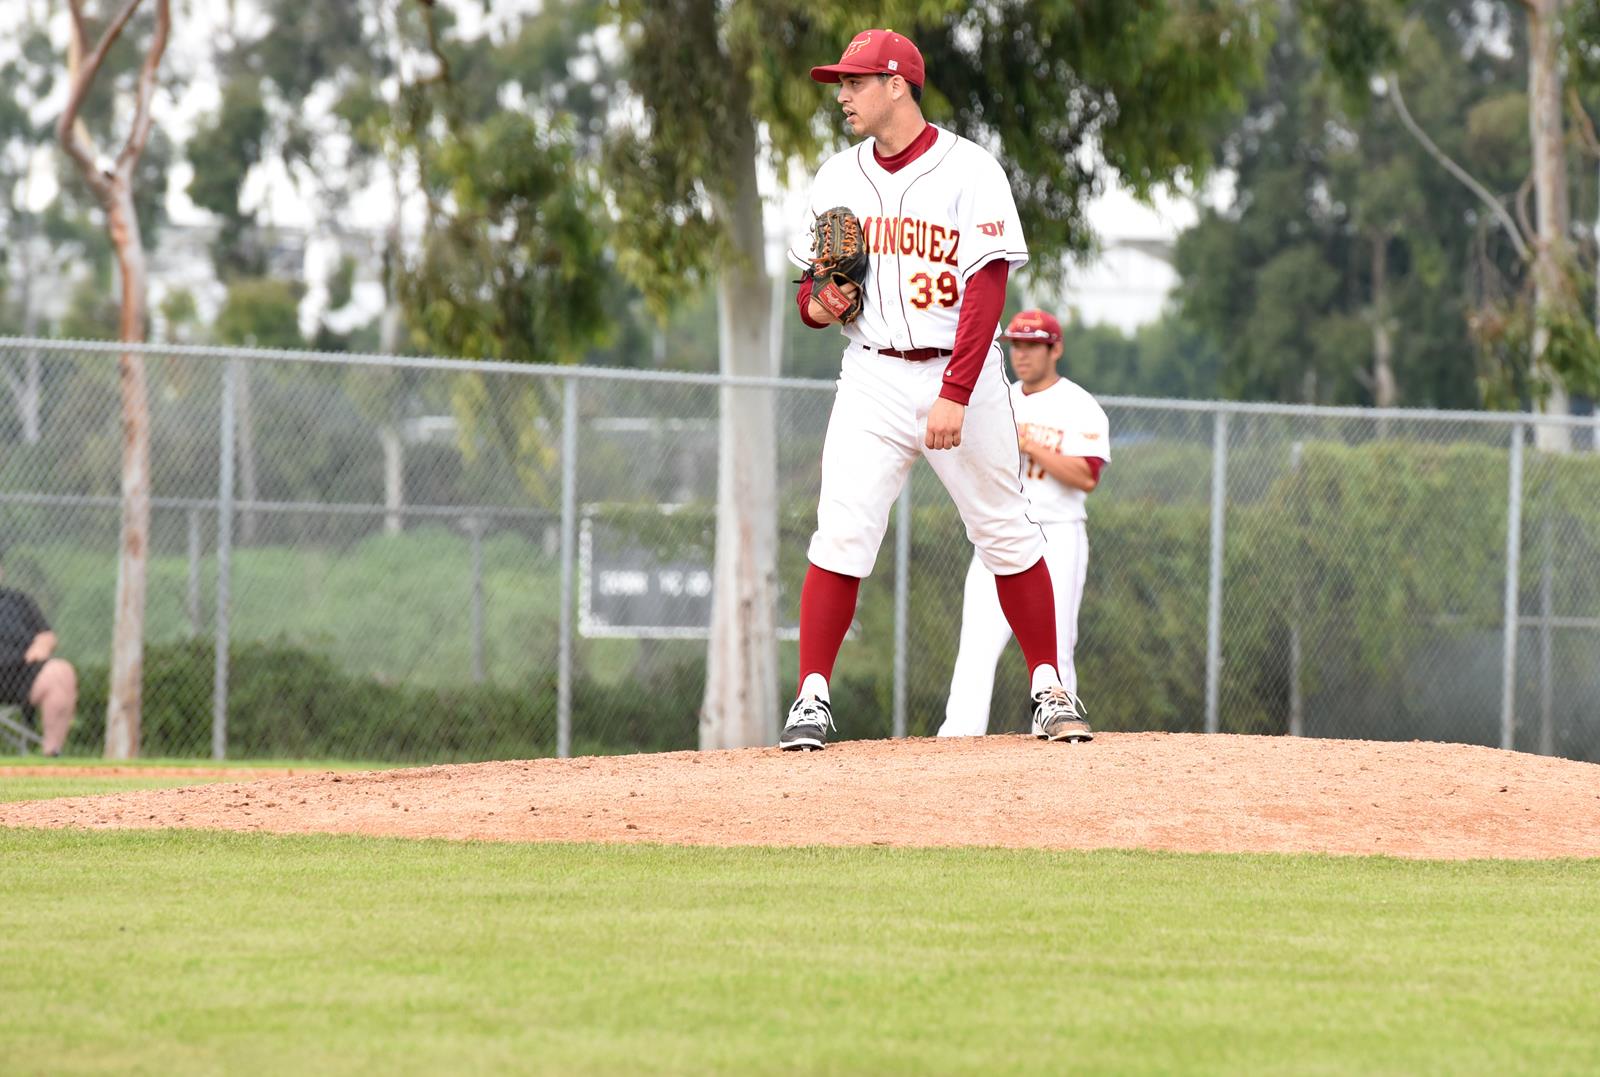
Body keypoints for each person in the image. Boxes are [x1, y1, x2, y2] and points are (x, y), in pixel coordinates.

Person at [780, 28, 1088, 750]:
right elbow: (810, 289)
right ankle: (812, 696)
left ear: (898, 85)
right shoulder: (836, 176)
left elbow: (988, 287)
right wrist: (818, 305)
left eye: (856, 81)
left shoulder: (970, 169)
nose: (844, 94)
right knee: (842, 530)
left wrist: (954, 390)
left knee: (1004, 528)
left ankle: (1049, 684)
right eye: (841, 83)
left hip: (965, 369)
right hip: (873, 373)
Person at [940, 310, 1109, 738]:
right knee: (977, 642)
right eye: (1016, 343)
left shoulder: (1078, 404)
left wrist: (1028, 441)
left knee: (1057, 644)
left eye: (1033, 344)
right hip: (1000, 531)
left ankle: (1055, 729)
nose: (1022, 353)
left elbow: (1086, 476)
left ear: (1056, 349)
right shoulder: (1000, 398)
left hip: (1059, 530)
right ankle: (960, 734)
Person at [0, 554, 77, 756]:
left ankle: (51, 754)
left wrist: (41, 647)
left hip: (18, 673)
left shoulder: (18, 600)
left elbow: (46, 635)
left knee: (61, 672)